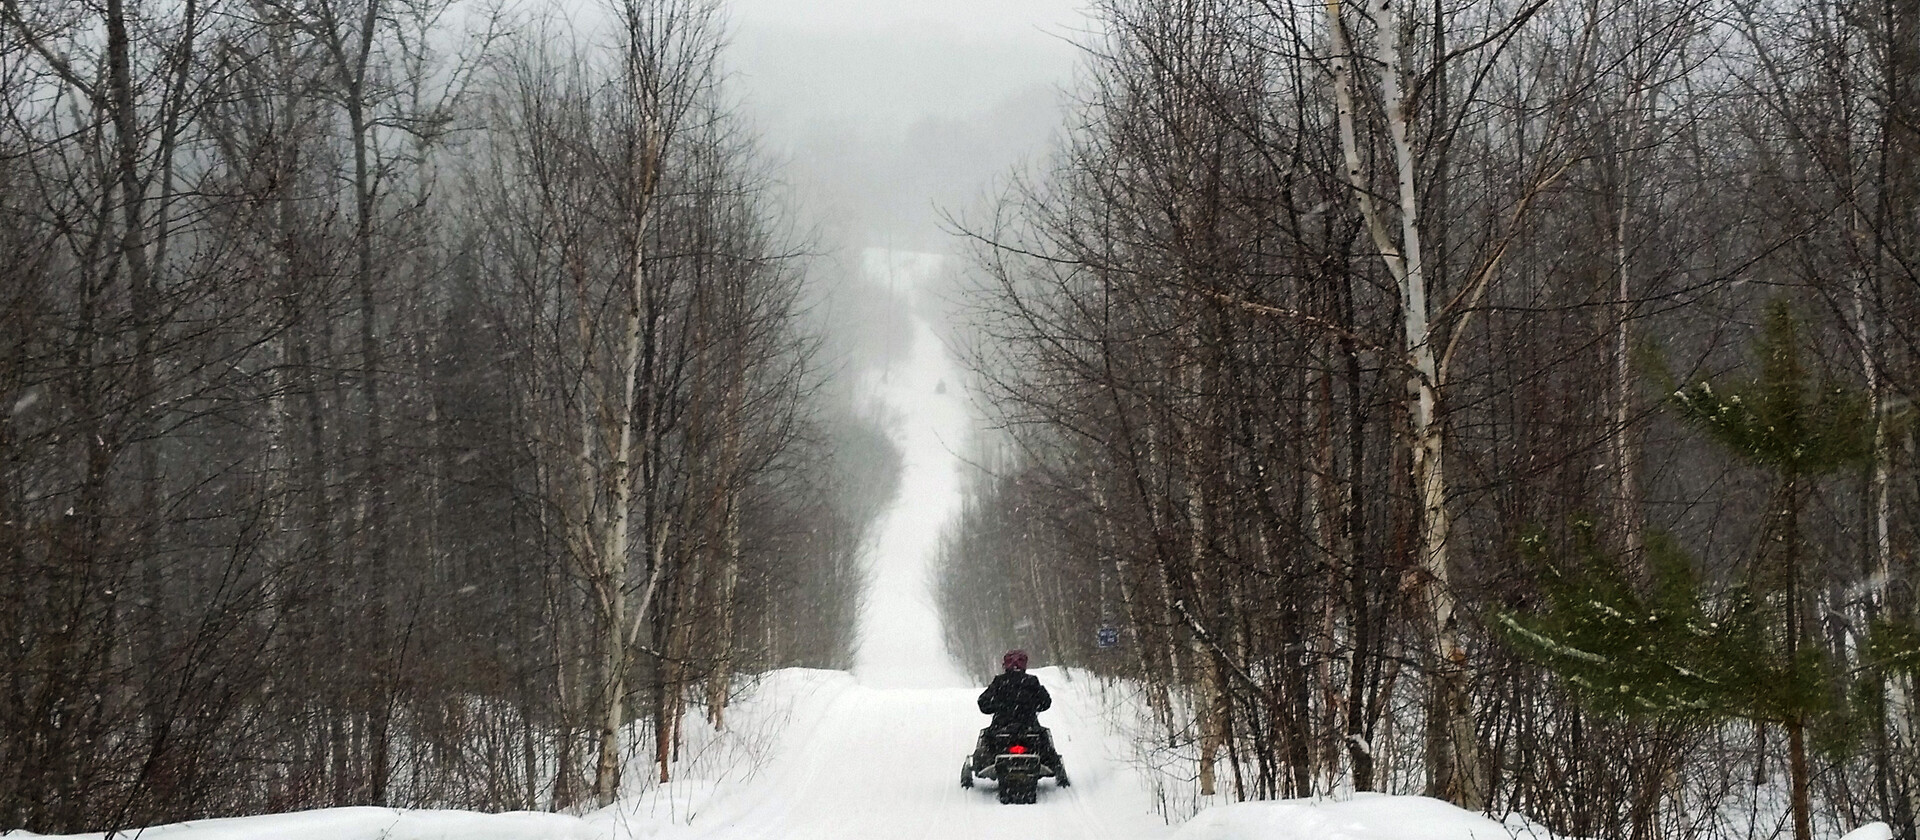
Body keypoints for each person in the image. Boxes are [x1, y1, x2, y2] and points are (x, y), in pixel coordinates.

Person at [972, 649, 1066, 784]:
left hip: (1001, 727)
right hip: (1029, 727)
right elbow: (1046, 702)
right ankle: (1055, 765)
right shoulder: (1031, 681)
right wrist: (1034, 705)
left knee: (986, 739)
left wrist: (996, 706)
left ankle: (981, 764)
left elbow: (983, 702)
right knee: (1044, 739)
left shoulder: (999, 681)